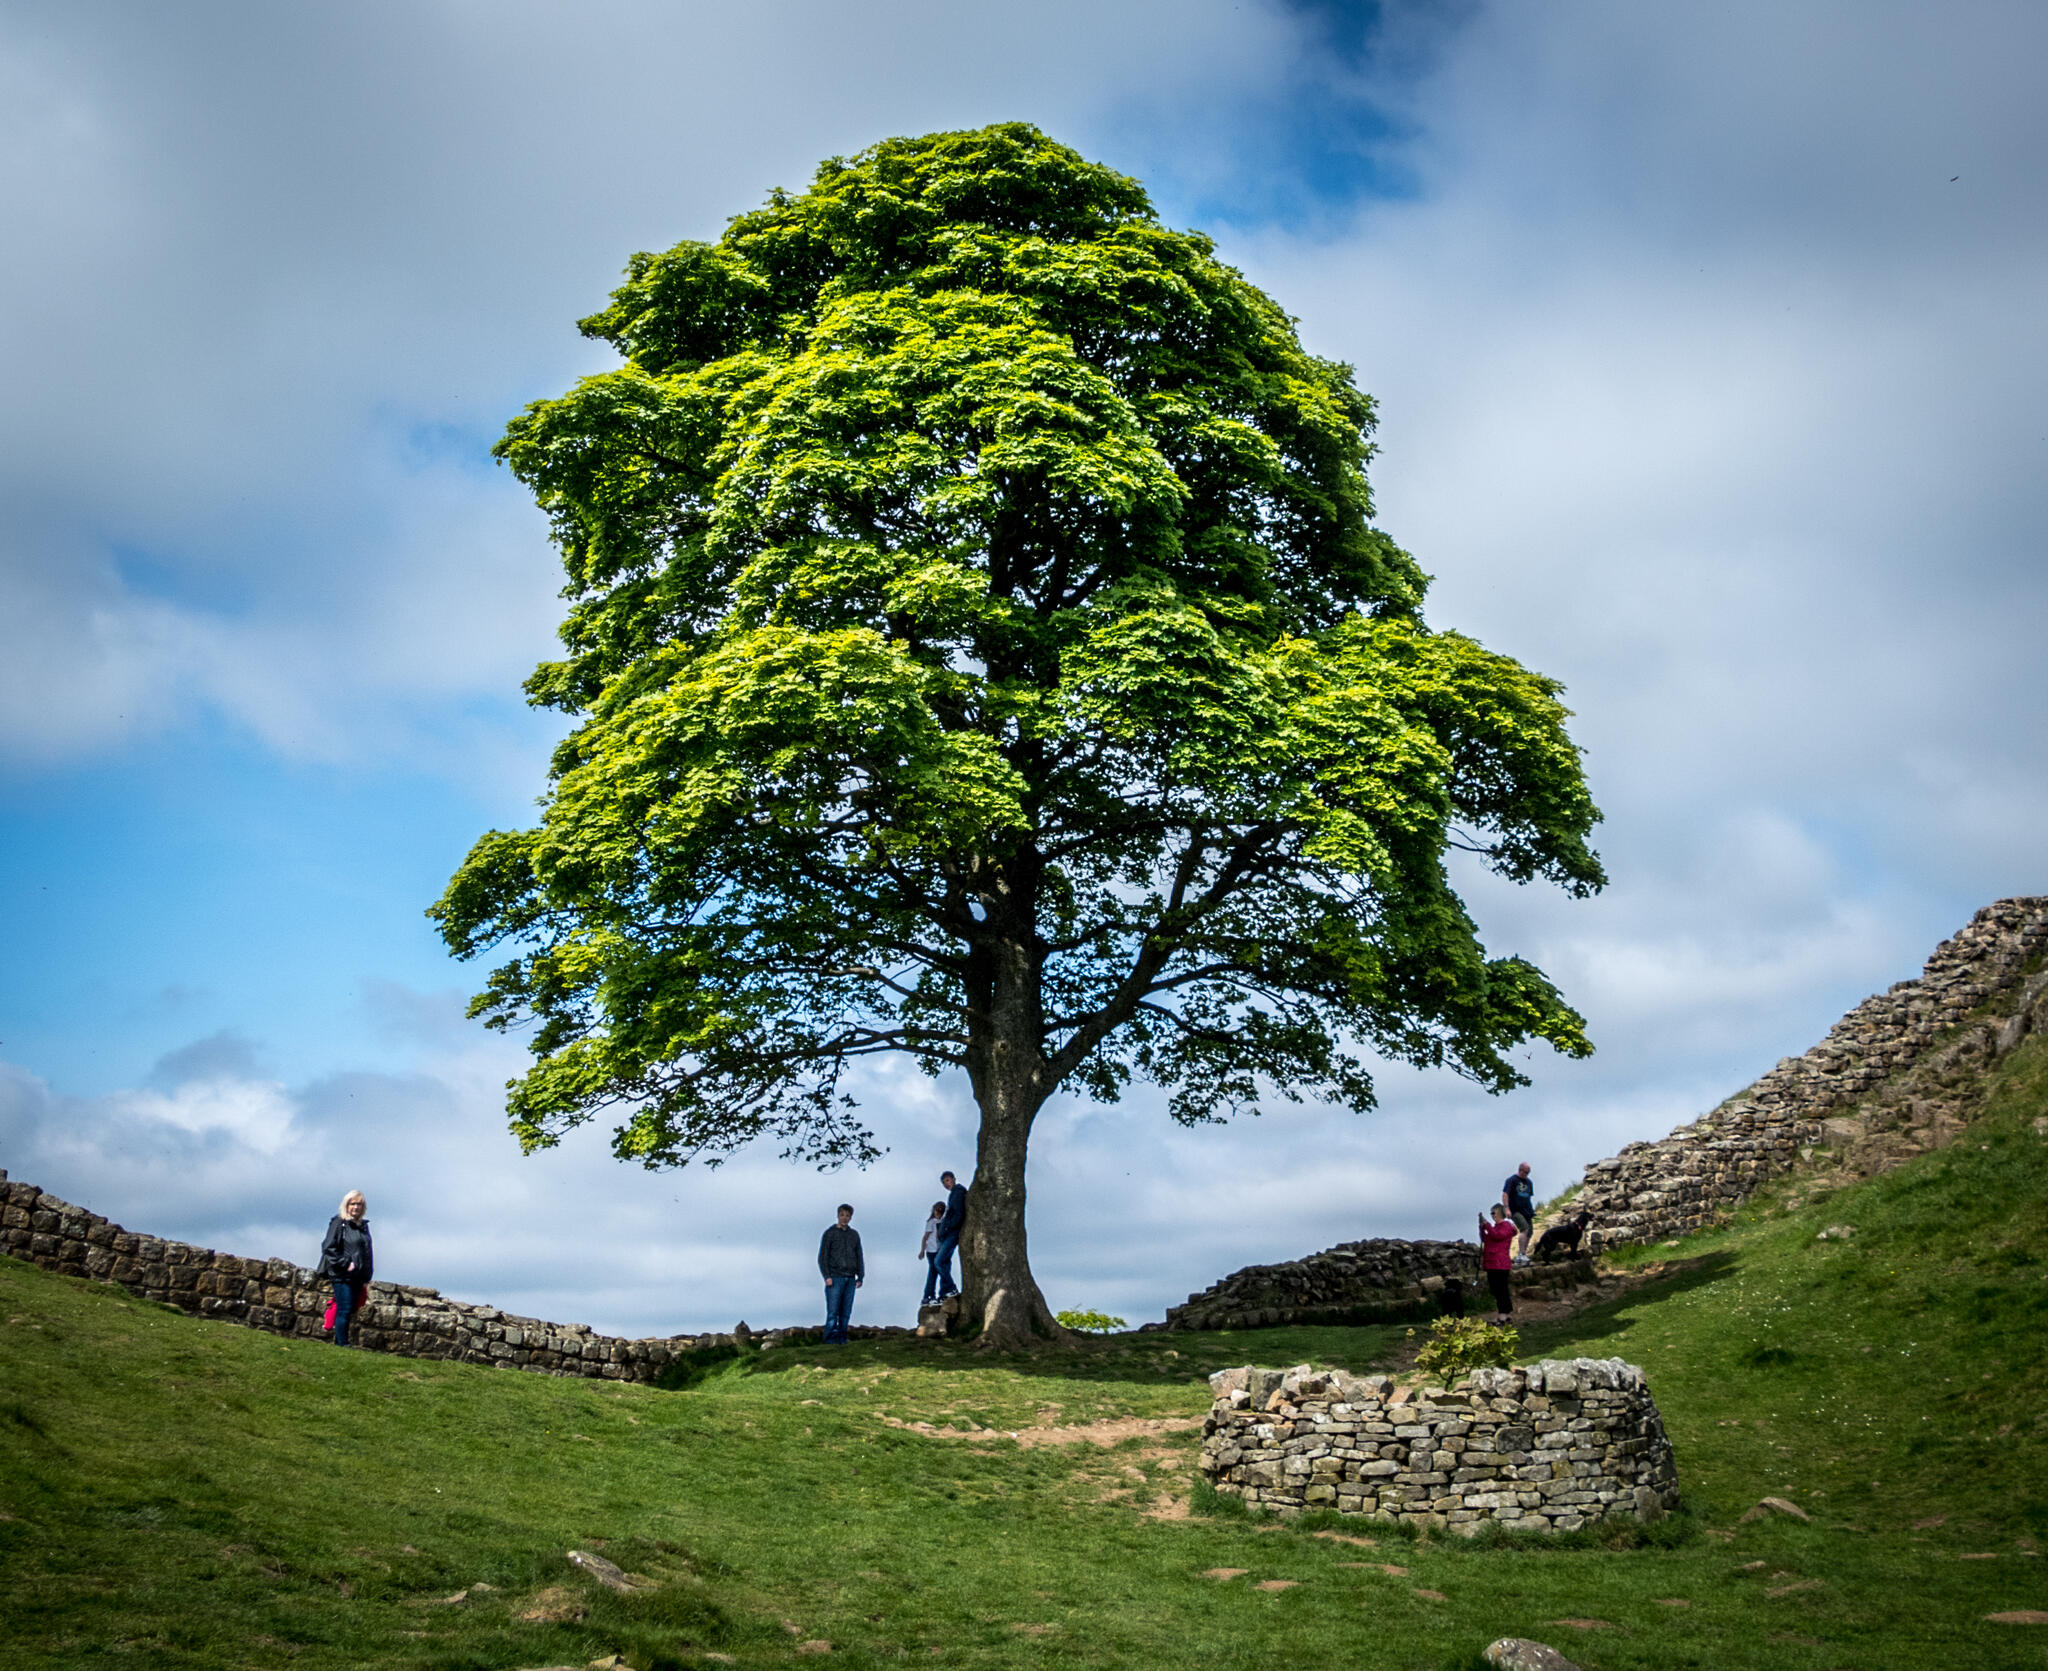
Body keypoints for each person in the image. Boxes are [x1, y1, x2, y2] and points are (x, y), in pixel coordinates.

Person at [317, 1190, 374, 1348]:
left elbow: (367, 1252)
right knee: (345, 1308)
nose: (356, 1207)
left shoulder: (363, 1226)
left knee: (351, 1308)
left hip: (357, 1276)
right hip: (341, 1274)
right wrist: (345, 1263)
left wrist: (366, 1276)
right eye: (352, 1204)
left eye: (359, 1204)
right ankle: (343, 1343)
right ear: (346, 1205)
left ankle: (340, 1341)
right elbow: (328, 1247)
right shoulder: (339, 1222)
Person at [818, 1204, 864, 1344]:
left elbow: (859, 1256)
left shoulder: (854, 1235)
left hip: (850, 1278)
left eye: (847, 1216)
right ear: (838, 1215)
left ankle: (842, 1337)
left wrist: (860, 1276)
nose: (844, 1218)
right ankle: (830, 1338)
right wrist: (827, 1276)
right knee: (833, 1311)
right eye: (842, 1215)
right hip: (835, 1277)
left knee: (846, 1311)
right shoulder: (830, 1234)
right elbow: (823, 1257)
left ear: (851, 1218)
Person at [1478, 1202, 1518, 1325]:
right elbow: (1486, 1239)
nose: (1492, 1215)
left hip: (1499, 1264)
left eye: (1493, 1213)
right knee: (1498, 1290)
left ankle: (1502, 1317)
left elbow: (1497, 1236)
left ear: (1499, 1213)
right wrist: (1482, 1227)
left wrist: (1487, 1226)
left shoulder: (1505, 1226)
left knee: (1500, 1290)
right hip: (1493, 1263)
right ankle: (1506, 1315)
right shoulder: (1495, 1227)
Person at [932, 1170, 968, 1300]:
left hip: (952, 1234)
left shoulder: (958, 1192)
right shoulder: (953, 1194)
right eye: (944, 1183)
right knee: (944, 1263)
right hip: (948, 1233)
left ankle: (951, 1288)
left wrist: (947, 1227)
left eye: (947, 1180)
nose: (946, 1184)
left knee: (939, 1261)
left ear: (953, 1179)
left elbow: (958, 1214)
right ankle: (944, 1293)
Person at [1502, 1161, 1536, 1266]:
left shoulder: (1529, 1182)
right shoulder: (1511, 1180)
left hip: (1527, 1211)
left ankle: (1523, 1256)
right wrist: (1507, 1208)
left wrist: (1531, 1210)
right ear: (1520, 1170)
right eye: (1525, 1172)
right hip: (1515, 1210)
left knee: (1530, 1232)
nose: (1527, 1174)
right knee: (1524, 1228)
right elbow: (1505, 1194)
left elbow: (1528, 1197)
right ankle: (1521, 1254)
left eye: (1528, 1173)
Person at [916, 1200, 946, 1306]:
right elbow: (925, 1237)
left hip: (939, 1250)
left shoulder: (943, 1221)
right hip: (931, 1251)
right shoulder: (931, 1222)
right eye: (936, 1211)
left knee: (937, 1273)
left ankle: (929, 1296)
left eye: (940, 1212)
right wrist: (922, 1251)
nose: (938, 1214)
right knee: (933, 1273)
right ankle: (929, 1296)